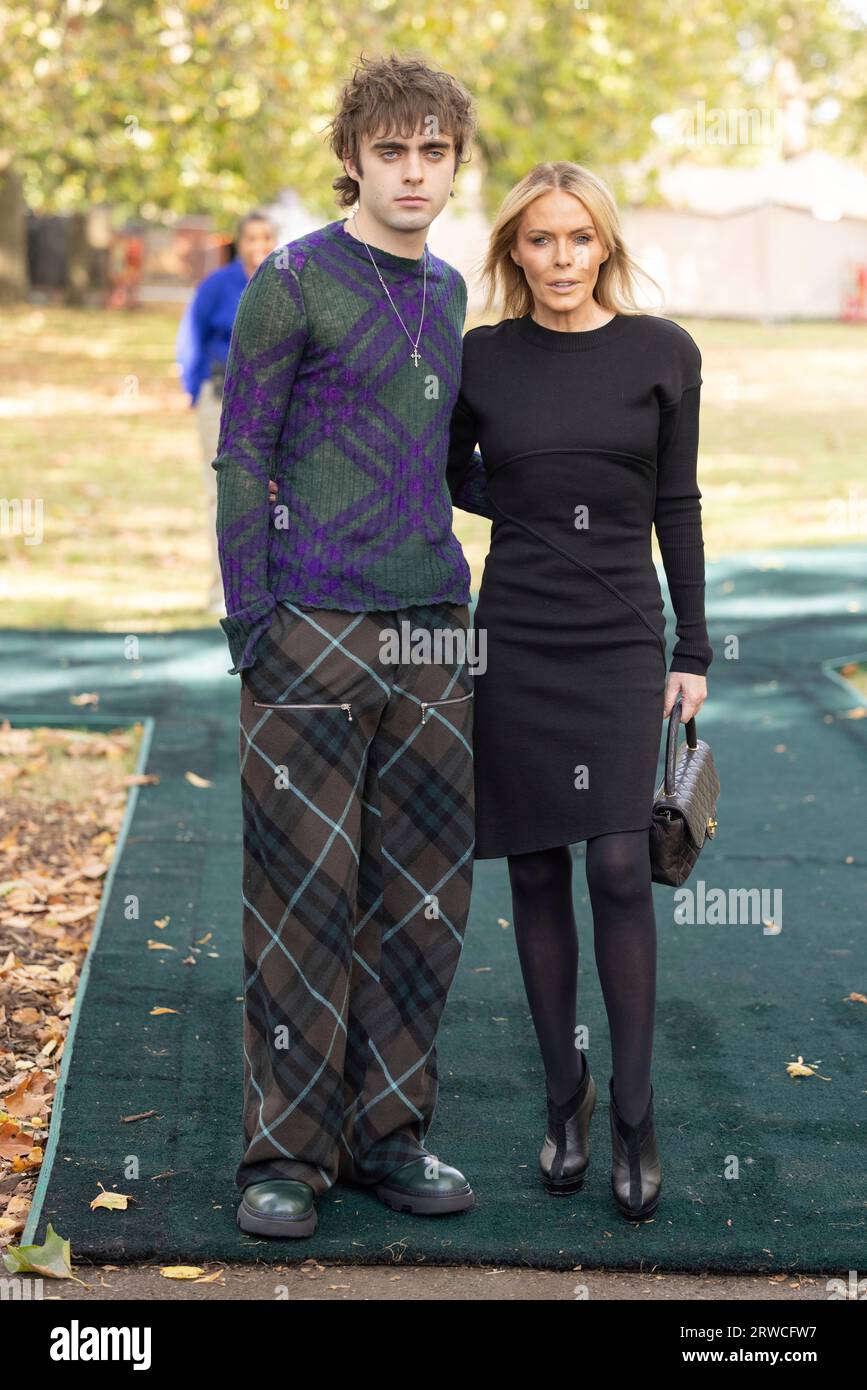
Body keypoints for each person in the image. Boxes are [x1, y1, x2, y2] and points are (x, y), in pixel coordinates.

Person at [212, 55, 490, 1239]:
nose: (413, 172)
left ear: (455, 162)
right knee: (301, 903)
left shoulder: (450, 293)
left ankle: (389, 1137)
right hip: (309, 632)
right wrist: (249, 621)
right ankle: (286, 1155)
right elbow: (243, 456)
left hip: (436, 629)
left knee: (424, 900)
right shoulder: (291, 281)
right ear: (355, 156)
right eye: (392, 151)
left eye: (434, 151)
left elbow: (442, 453)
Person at [444, 161, 713, 1220]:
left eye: (579, 239)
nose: (561, 259)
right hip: (514, 632)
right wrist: (528, 495)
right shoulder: (481, 358)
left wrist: (693, 648)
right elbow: (459, 473)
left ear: (606, 245)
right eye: (540, 240)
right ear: (514, 249)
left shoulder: (662, 353)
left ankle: (636, 1113)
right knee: (536, 867)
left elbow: (678, 502)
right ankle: (566, 1099)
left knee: (615, 861)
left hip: (619, 636)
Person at [176, 212, 276, 611]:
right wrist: (195, 392)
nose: (259, 246)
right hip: (218, 398)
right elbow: (191, 340)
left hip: (268, 404)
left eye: (266, 237)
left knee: (268, 494)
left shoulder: (284, 282)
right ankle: (221, 590)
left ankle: (265, 589)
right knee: (219, 493)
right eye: (251, 238)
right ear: (239, 242)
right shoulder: (217, 285)